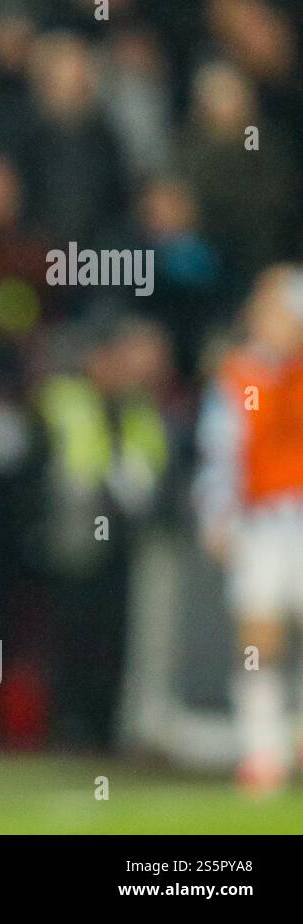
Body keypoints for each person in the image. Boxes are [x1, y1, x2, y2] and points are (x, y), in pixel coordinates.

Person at [196, 265, 303, 796]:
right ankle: (264, 750)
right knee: (260, 636)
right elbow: (220, 453)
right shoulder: (238, 375)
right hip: (263, 522)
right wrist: (216, 516)